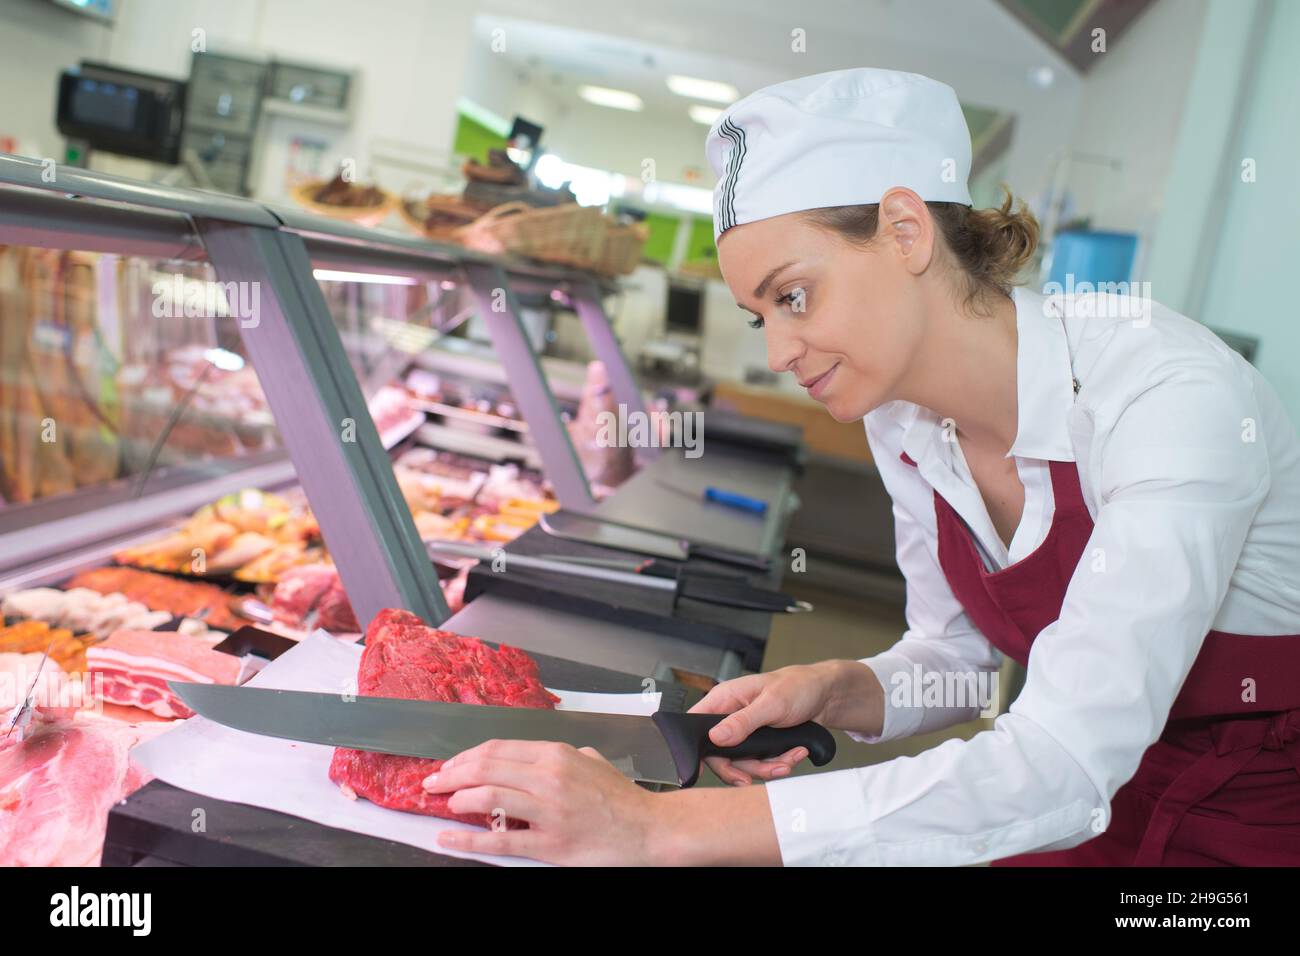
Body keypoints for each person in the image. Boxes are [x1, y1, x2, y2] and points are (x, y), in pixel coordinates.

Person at [423, 68, 1300, 866]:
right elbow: (960, 661)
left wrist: (654, 829)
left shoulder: (1169, 398)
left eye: (793, 296)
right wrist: (841, 687)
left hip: (1258, 812)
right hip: (1083, 785)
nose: (778, 350)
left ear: (907, 229)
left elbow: (1064, 763)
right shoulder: (900, 411)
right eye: (759, 315)